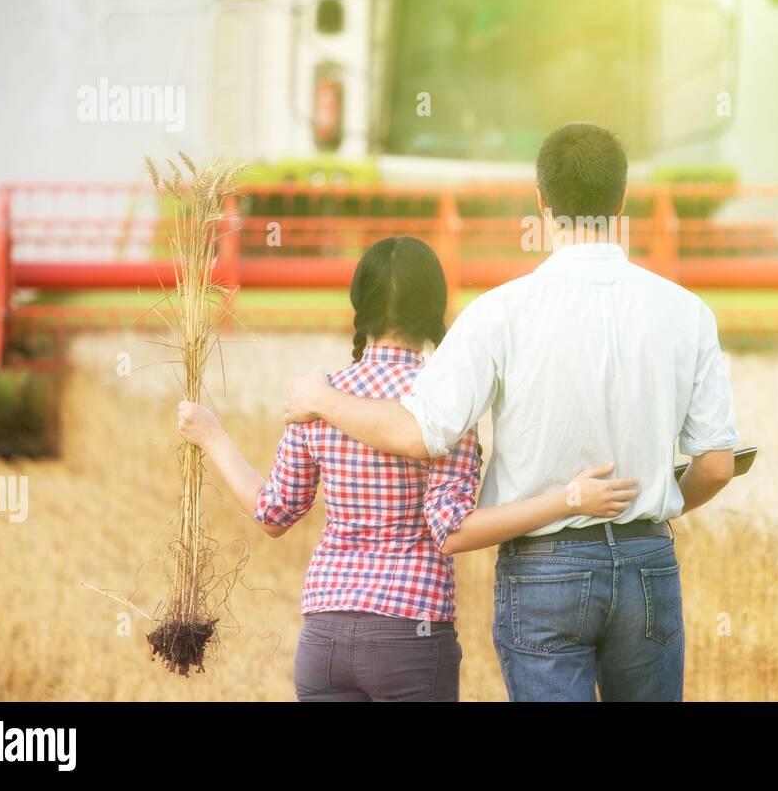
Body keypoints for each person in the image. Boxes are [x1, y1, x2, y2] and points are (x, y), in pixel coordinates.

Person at [283, 123, 739, 701]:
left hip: (543, 566)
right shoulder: (687, 312)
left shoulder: (498, 312)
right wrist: (650, 505)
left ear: (541, 203)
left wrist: (321, 398)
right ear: (623, 201)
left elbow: (419, 433)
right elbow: (717, 466)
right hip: (648, 560)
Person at [176, 235, 639, 701]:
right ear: (436, 306)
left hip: (324, 636)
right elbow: (451, 528)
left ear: (361, 304)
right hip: (411, 632)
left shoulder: (317, 397)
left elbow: (273, 513)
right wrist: (567, 499)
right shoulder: (446, 403)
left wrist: (212, 434)